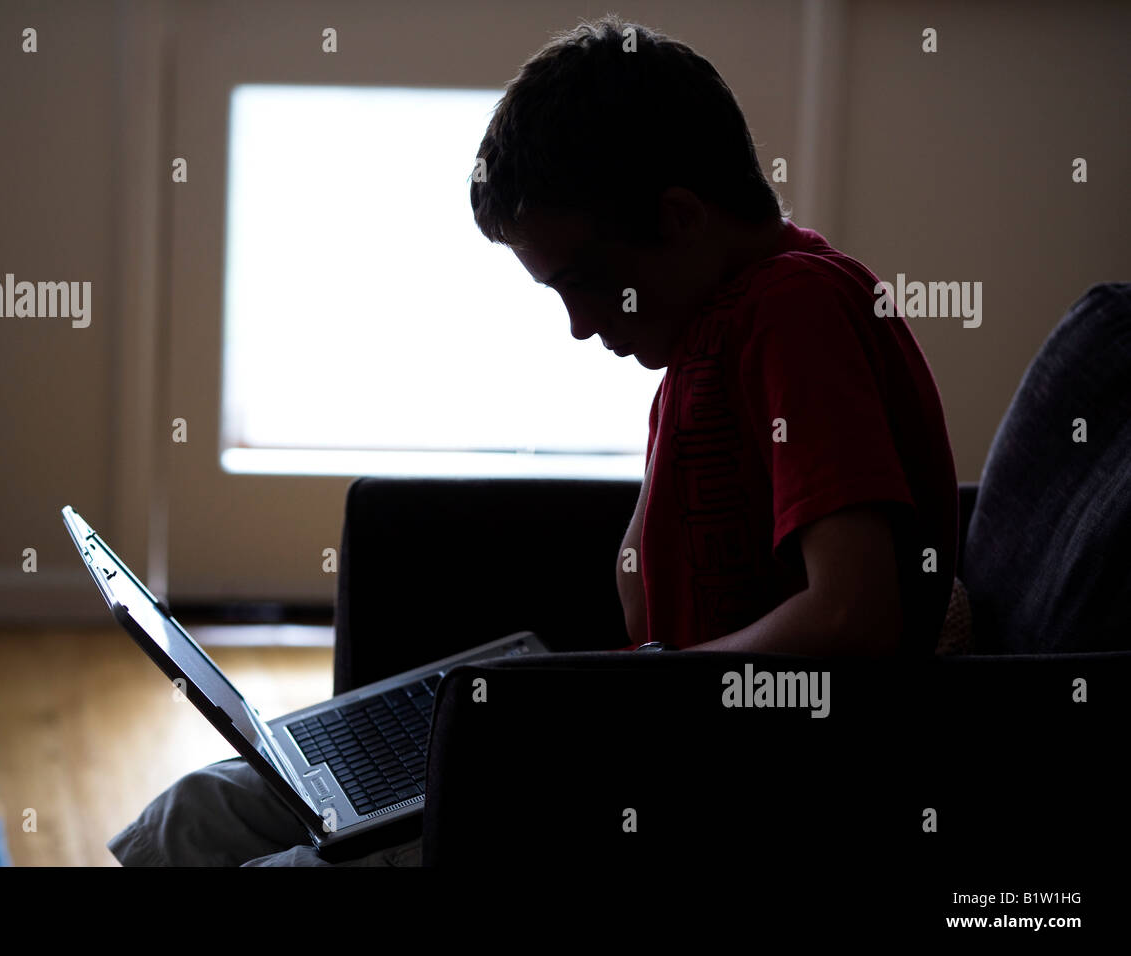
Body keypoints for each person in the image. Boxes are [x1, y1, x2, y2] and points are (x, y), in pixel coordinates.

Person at [110, 13, 958, 867]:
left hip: (708, 786)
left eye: (586, 284)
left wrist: (619, 693)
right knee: (194, 812)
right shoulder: (716, 332)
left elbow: (856, 614)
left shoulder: (796, 313)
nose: (581, 326)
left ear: (680, 217)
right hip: (627, 748)